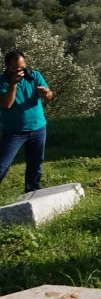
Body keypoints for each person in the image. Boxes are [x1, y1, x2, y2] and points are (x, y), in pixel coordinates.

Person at [1, 49, 54, 193]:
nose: (19, 71)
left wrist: (45, 93)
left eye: (22, 67)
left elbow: (50, 95)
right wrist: (13, 84)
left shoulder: (34, 76)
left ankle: (32, 191)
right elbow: (6, 104)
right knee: (2, 165)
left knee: (35, 164)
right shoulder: (2, 82)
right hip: (14, 131)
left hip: (38, 128)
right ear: (7, 66)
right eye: (15, 68)